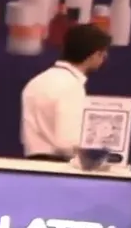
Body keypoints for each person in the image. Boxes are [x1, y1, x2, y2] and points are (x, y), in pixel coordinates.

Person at [20, 23, 111, 162]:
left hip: (32, 164)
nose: (104, 58)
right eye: (102, 53)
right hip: (58, 167)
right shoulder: (71, 86)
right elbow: (67, 142)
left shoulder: (35, 82)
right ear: (94, 55)